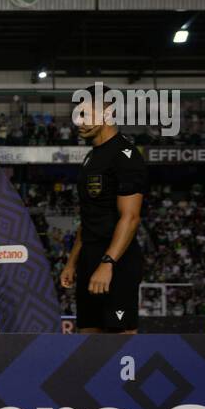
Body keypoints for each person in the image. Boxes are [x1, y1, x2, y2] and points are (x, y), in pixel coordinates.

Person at [60, 85, 146, 333]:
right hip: (89, 258)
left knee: (120, 342)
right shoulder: (91, 157)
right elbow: (88, 216)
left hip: (116, 263)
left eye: (85, 114)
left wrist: (107, 263)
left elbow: (130, 217)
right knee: (89, 339)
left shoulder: (126, 155)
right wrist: (72, 262)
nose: (79, 121)